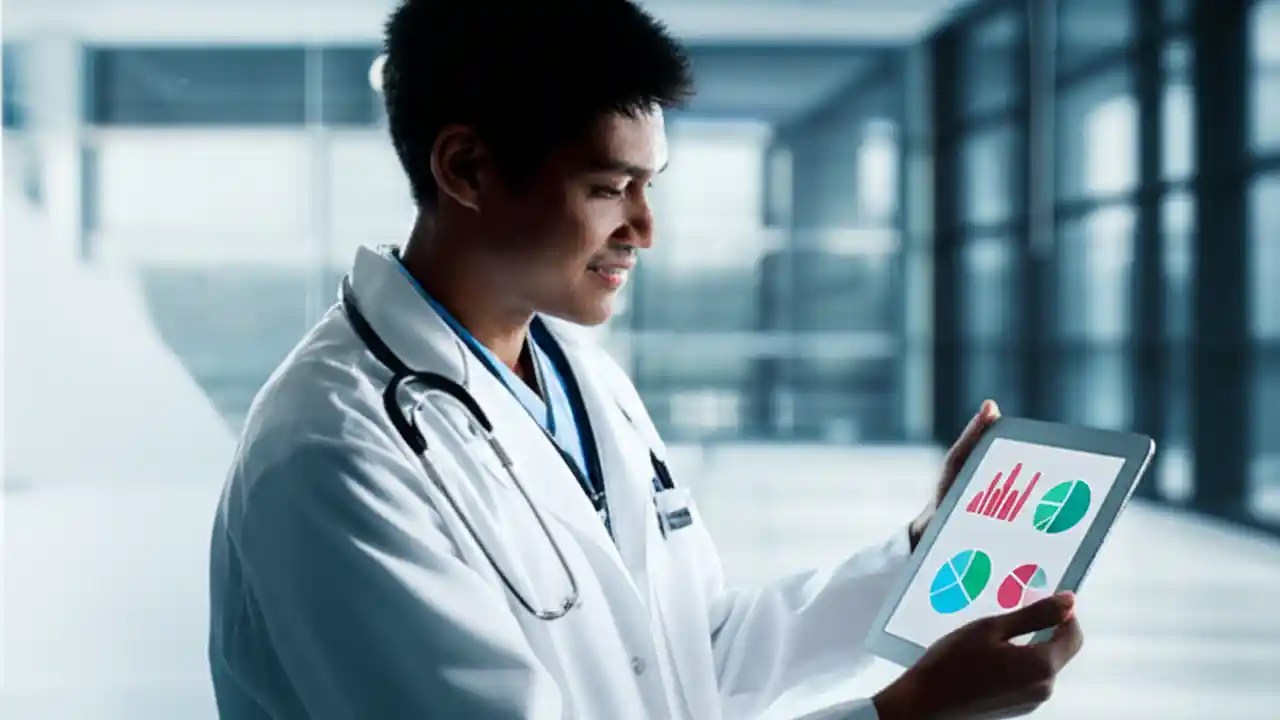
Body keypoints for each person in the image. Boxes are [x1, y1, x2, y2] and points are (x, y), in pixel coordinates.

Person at [206, 0, 1084, 717]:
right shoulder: (333, 450)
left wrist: (920, 555)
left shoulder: (582, 378)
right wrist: (903, 716)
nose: (644, 229)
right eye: (606, 189)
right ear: (466, 168)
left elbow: (696, 655)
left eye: (648, 185)